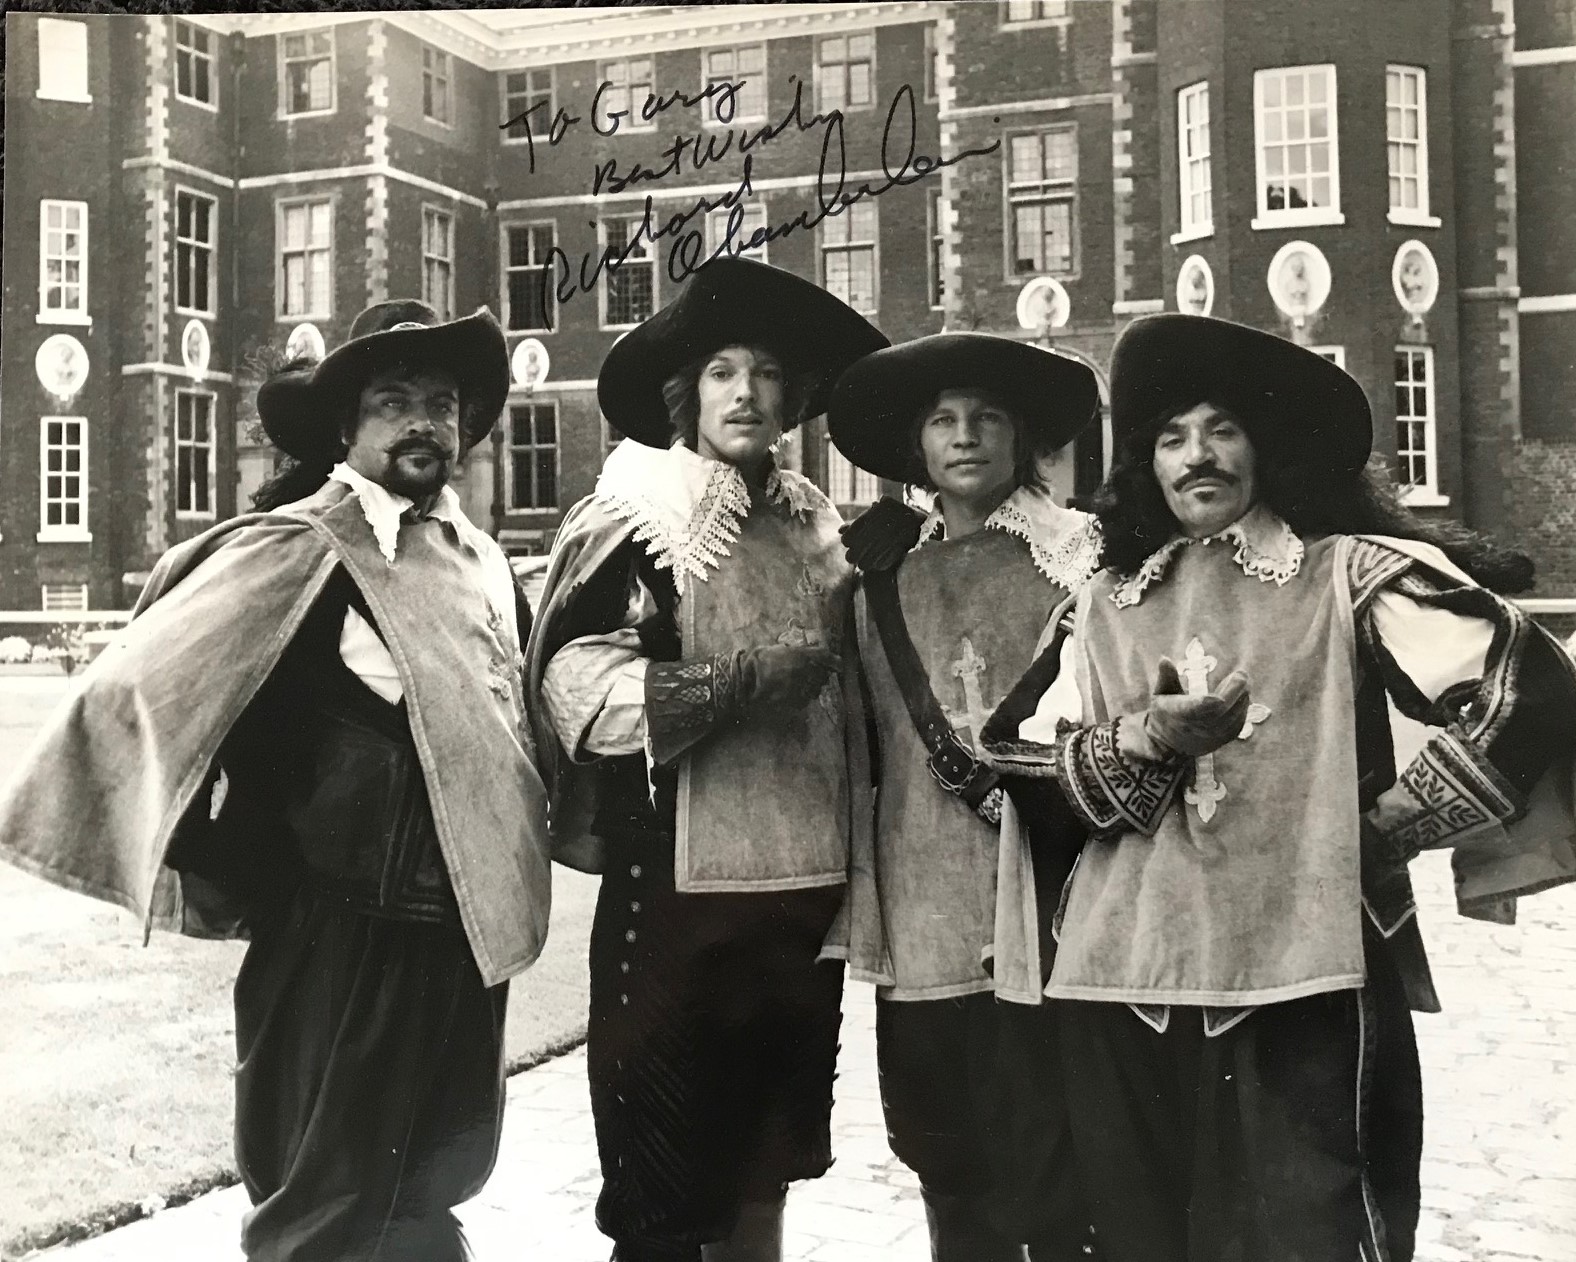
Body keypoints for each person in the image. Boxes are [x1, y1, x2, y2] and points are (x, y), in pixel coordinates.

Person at [977, 313, 1576, 1262]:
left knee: (1313, 1233)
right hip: (1126, 978)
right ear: (1146, 464)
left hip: (1308, 970)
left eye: (1222, 429)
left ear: (1265, 446)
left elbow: (1529, 684)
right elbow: (1009, 759)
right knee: (1139, 1238)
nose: (1197, 456)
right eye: (1171, 437)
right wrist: (1142, 740)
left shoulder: (1347, 575)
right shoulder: (1102, 605)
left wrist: (1393, 822)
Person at [0, 300, 551, 1262]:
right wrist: (236, 857)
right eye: (393, 402)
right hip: (343, 938)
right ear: (347, 426)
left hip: (464, 938)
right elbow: (140, 687)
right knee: (323, 1213)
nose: (422, 423)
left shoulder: (481, 559)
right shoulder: (301, 546)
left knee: (431, 1190)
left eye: (440, 403)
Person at [523, 256, 889, 1262]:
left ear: (792, 395)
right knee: (664, 1205)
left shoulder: (813, 524)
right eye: (723, 371)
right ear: (686, 393)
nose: (746, 392)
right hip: (674, 907)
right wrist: (728, 685)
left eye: (766, 372)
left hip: (795, 907)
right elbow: (575, 693)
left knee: (764, 1185)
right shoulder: (637, 519)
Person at [823, 333, 1105, 1261]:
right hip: (926, 910)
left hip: (1055, 909)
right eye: (942, 420)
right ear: (917, 445)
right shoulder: (876, 583)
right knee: (949, 1164)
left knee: (1061, 1171)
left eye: (987, 417)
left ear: (1022, 436)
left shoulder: (1082, 563)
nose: (965, 436)